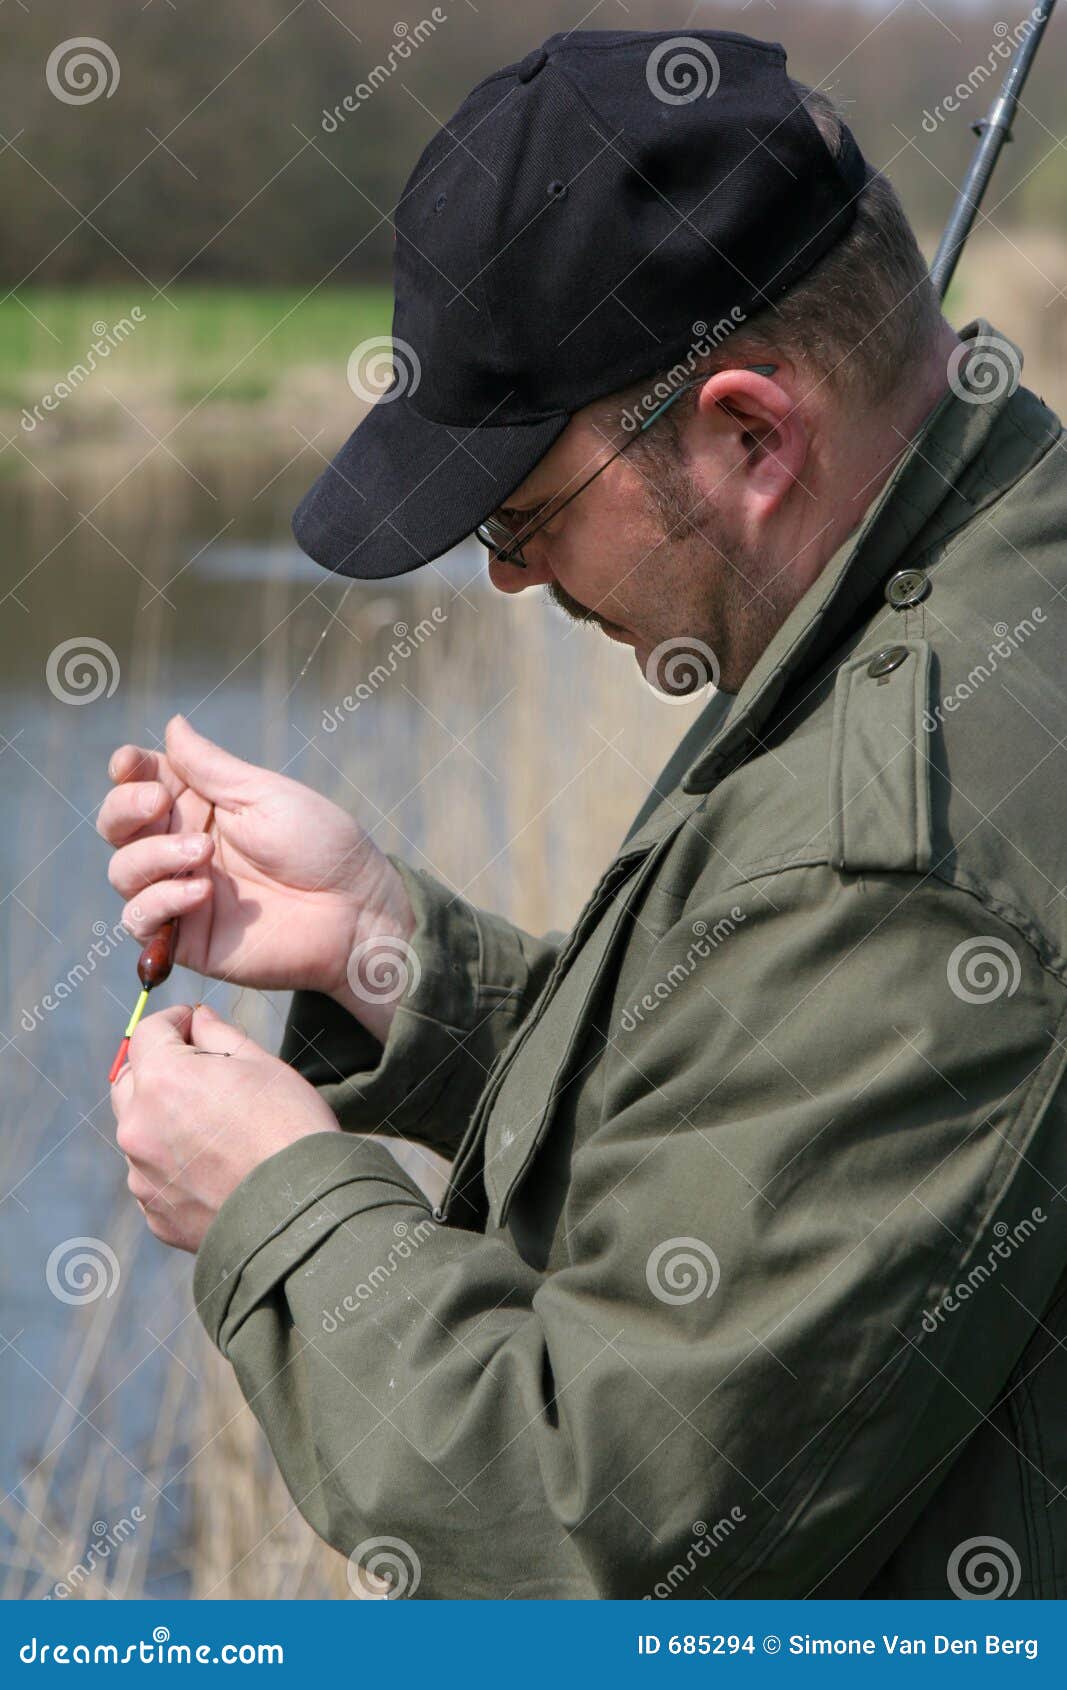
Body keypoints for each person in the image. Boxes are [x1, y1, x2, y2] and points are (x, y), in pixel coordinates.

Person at [99, 30, 1067, 1598]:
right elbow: (771, 1110)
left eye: (525, 512)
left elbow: (595, 1535)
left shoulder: (909, 849)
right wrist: (388, 951)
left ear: (751, 434)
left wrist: (277, 1204)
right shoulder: (982, 562)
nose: (503, 574)